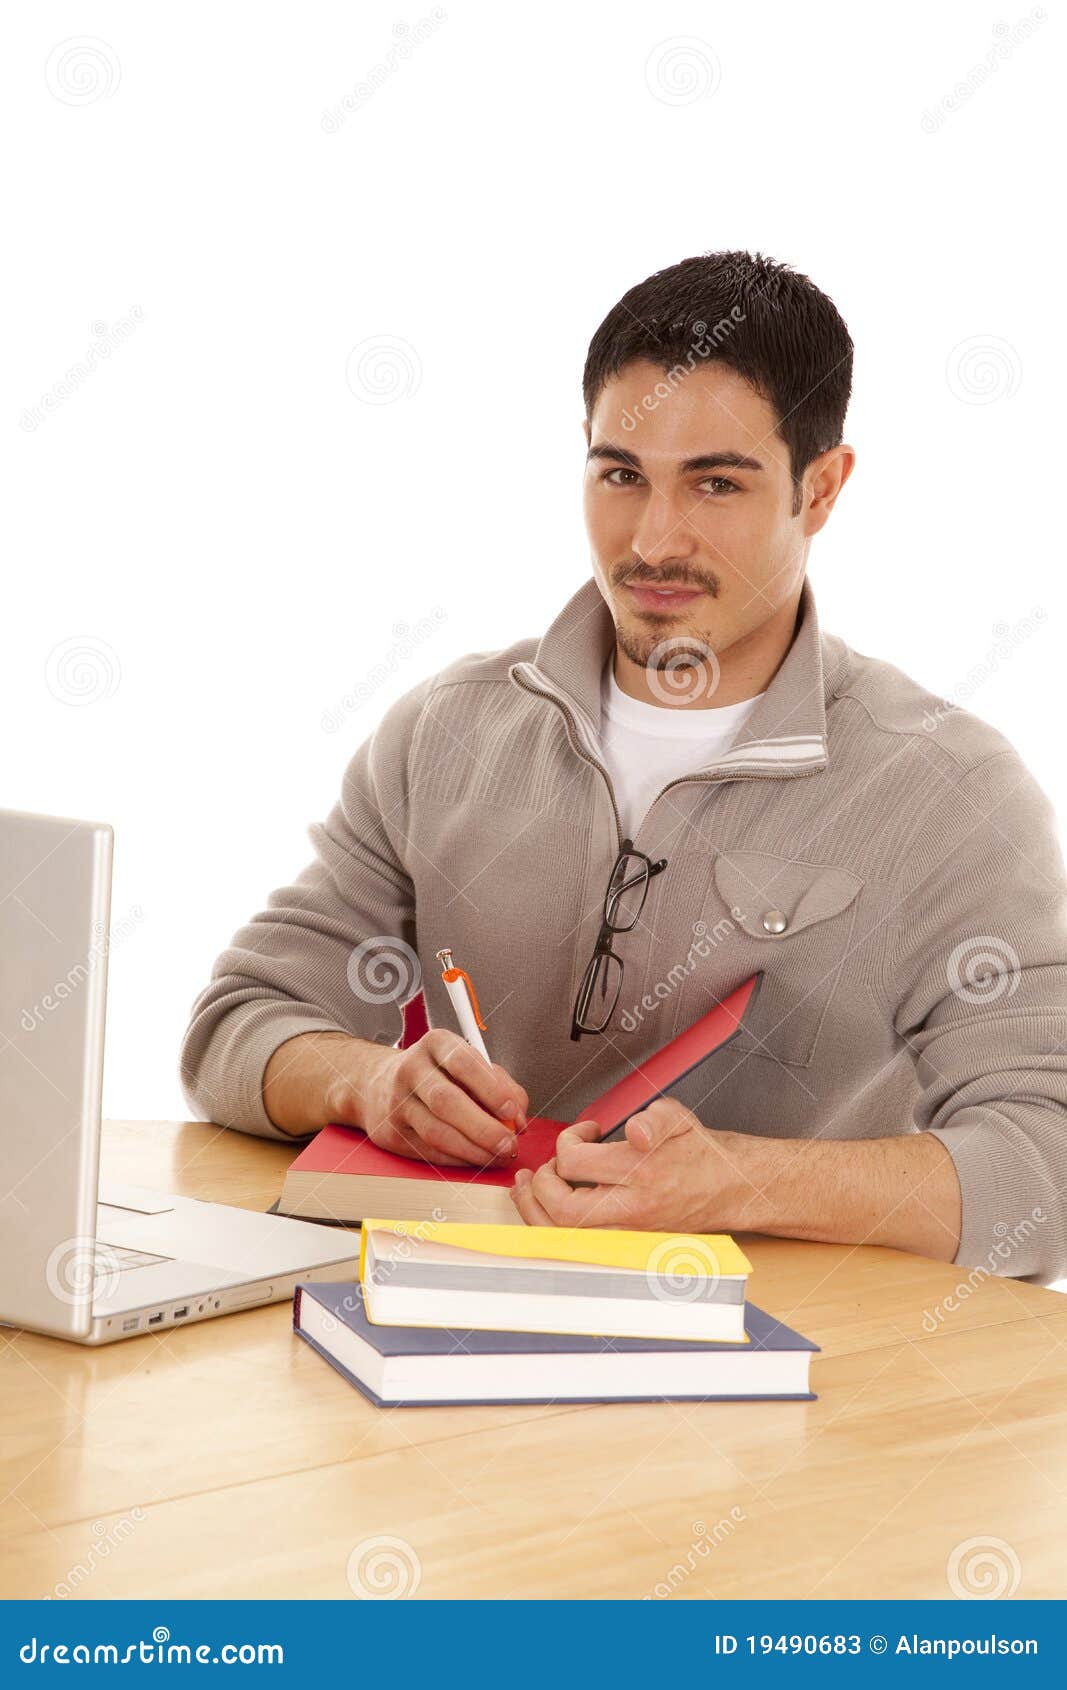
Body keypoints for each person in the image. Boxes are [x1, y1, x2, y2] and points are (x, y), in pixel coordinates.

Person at [180, 252, 1067, 1283]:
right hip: (460, 1339)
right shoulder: (445, 732)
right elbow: (236, 1025)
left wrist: (736, 1181)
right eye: (620, 475)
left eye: (716, 483)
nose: (652, 539)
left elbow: (1042, 1162)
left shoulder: (945, 789)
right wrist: (366, 1083)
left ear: (819, 490)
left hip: (802, 1397)